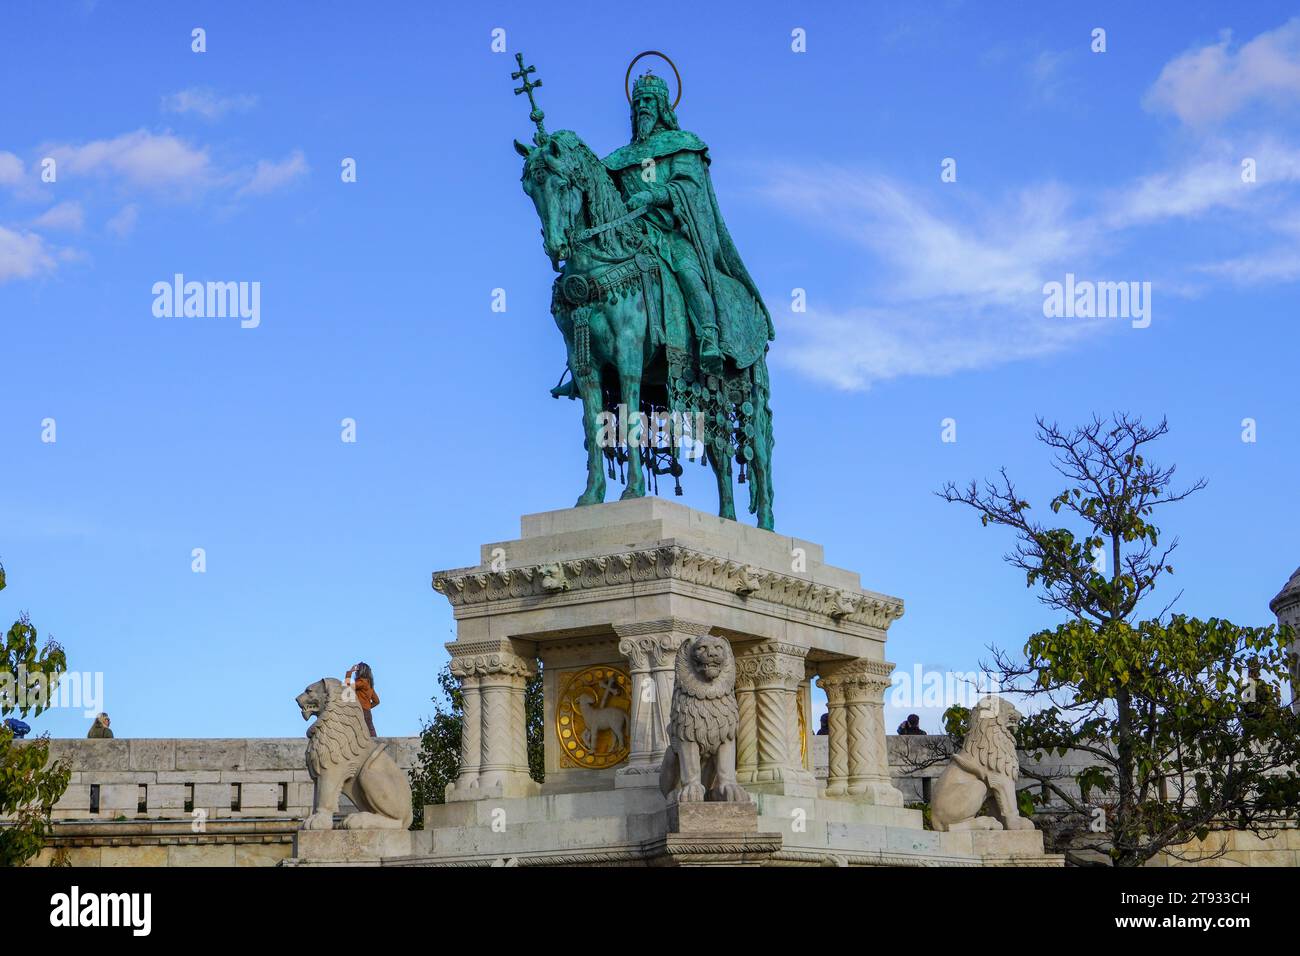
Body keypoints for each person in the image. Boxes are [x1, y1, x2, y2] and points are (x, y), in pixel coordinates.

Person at [345, 662, 379, 737]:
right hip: (367, 712)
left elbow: (347, 686)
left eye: (357, 670)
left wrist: (350, 672)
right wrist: (368, 706)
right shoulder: (369, 685)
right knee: (370, 731)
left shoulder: (362, 682)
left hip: (360, 711)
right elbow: (376, 701)